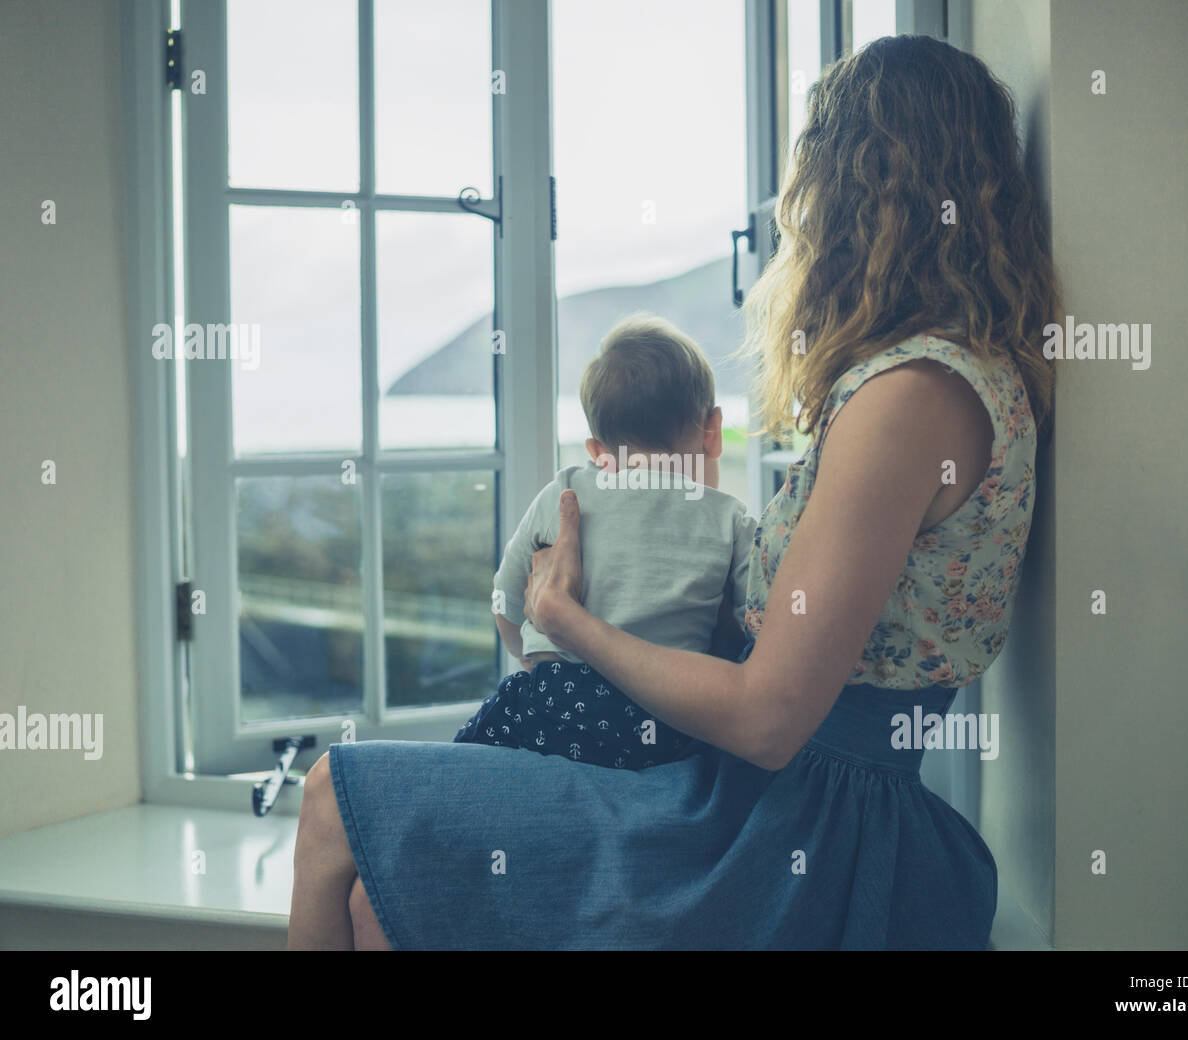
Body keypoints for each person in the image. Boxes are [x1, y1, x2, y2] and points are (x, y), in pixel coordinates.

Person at [289, 33, 1061, 950]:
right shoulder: (945, 378)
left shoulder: (911, 400)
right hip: (755, 788)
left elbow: (771, 719)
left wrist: (567, 621)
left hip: (788, 823)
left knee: (335, 796)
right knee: (385, 897)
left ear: (862, 194)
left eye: (812, 189)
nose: (798, 223)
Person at [453, 314, 755, 770]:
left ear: (597, 451)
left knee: (461, 765)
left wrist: (530, 652)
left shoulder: (566, 493)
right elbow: (760, 622)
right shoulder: (730, 518)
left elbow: (506, 601)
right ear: (711, 430)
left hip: (553, 702)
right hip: (665, 724)